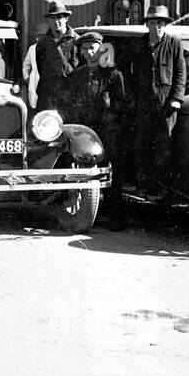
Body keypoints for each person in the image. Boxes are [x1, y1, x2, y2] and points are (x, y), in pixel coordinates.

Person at [66, 31, 127, 228]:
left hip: (108, 131)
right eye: (85, 49)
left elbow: (121, 105)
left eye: (92, 48)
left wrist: (112, 124)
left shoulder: (113, 74)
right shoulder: (78, 74)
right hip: (85, 132)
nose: (89, 53)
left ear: (100, 49)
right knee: (84, 172)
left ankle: (115, 215)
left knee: (111, 172)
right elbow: (72, 103)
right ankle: (90, 212)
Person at [127, 4, 186, 200]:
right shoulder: (138, 44)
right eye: (153, 23)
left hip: (166, 103)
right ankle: (143, 185)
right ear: (147, 25)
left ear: (165, 25)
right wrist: (132, 91)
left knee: (164, 145)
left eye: (160, 23)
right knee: (141, 143)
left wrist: (176, 98)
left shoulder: (174, 44)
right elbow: (123, 65)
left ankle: (162, 188)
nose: (157, 27)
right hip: (144, 101)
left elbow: (181, 73)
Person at [32, 0, 78, 114]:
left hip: (69, 98)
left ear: (66, 18)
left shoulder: (77, 41)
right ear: (48, 20)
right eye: (52, 18)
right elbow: (41, 69)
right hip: (47, 98)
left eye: (59, 17)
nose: (56, 21)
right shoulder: (42, 44)